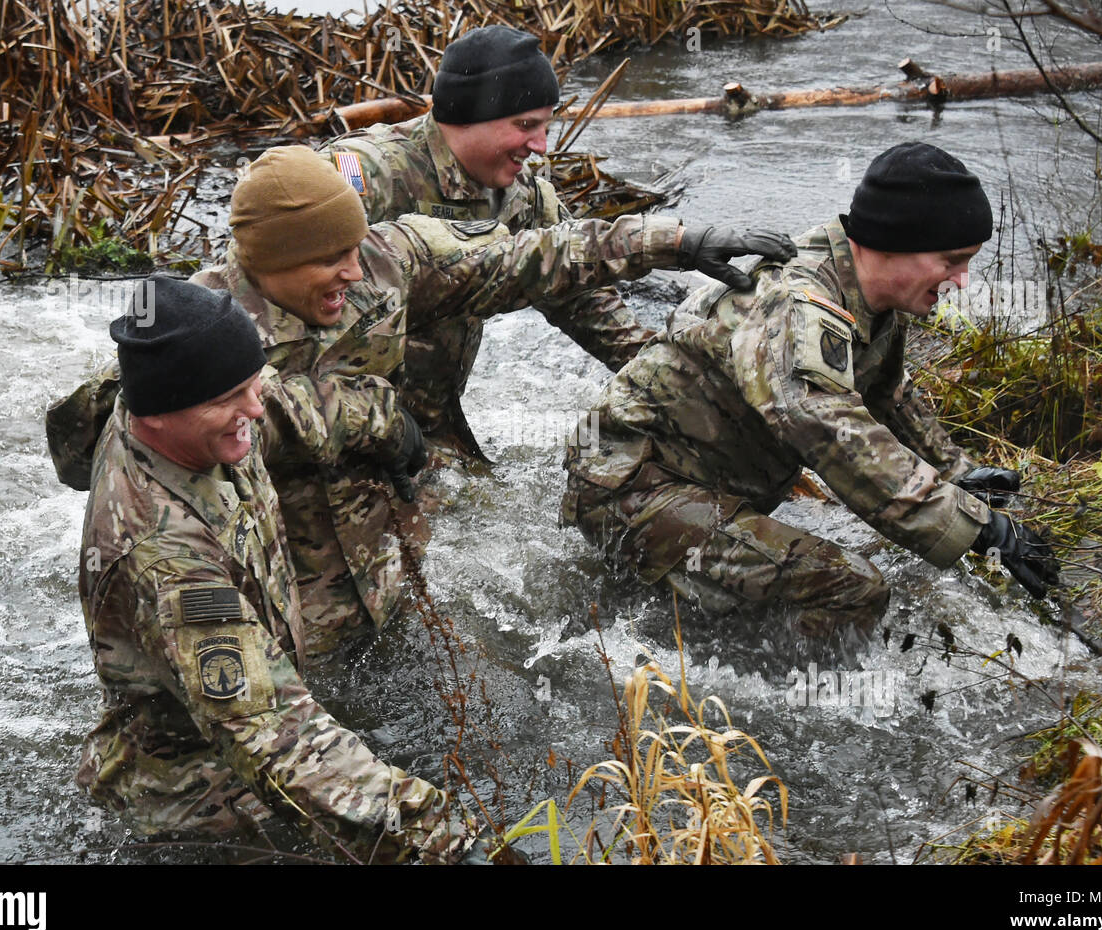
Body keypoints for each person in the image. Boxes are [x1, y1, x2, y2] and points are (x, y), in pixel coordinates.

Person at [47, 145, 796, 658]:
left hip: (387, 572)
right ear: (267, 264)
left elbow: (532, 256)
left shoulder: (385, 258)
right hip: (278, 615)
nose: (353, 271)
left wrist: (676, 240)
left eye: (354, 247)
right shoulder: (196, 340)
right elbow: (114, 449)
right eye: (328, 258)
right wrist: (372, 415)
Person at [561, 142, 1059, 638]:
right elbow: (830, 431)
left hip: (691, 480)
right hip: (631, 488)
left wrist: (958, 475)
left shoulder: (868, 289)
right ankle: (769, 699)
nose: (963, 280)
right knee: (852, 589)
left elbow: (887, 395)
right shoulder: (800, 306)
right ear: (895, 241)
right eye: (951, 261)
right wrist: (974, 526)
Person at [74, 276, 491, 863]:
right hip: (202, 814)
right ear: (162, 414)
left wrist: (388, 426)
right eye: (231, 398)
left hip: (247, 738)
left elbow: (288, 404)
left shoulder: (180, 405)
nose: (254, 407)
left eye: (252, 384)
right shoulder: (165, 560)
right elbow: (273, 735)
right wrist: (445, 841)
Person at [325, 24, 654, 457]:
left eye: (546, 126)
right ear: (470, 117)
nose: (540, 146)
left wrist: (658, 374)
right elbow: (280, 300)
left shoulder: (521, 197)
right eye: (525, 125)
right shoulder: (364, 175)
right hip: (346, 427)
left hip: (435, 422)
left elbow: (580, 295)